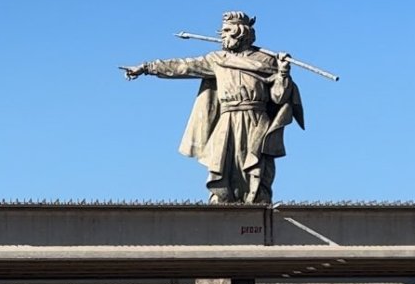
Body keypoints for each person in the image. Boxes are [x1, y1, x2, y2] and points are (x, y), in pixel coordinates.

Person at [123, 11, 304, 204]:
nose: (222, 36)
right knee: (222, 168)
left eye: (227, 31)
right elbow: (183, 66)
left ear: (240, 32)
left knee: (257, 170)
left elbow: (279, 97)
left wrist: (283, 71)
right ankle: (221, 209)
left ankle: (257, 211)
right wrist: (147, 67)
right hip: (227, 121)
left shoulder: (267, 61)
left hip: (256, 119)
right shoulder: (217, 59)